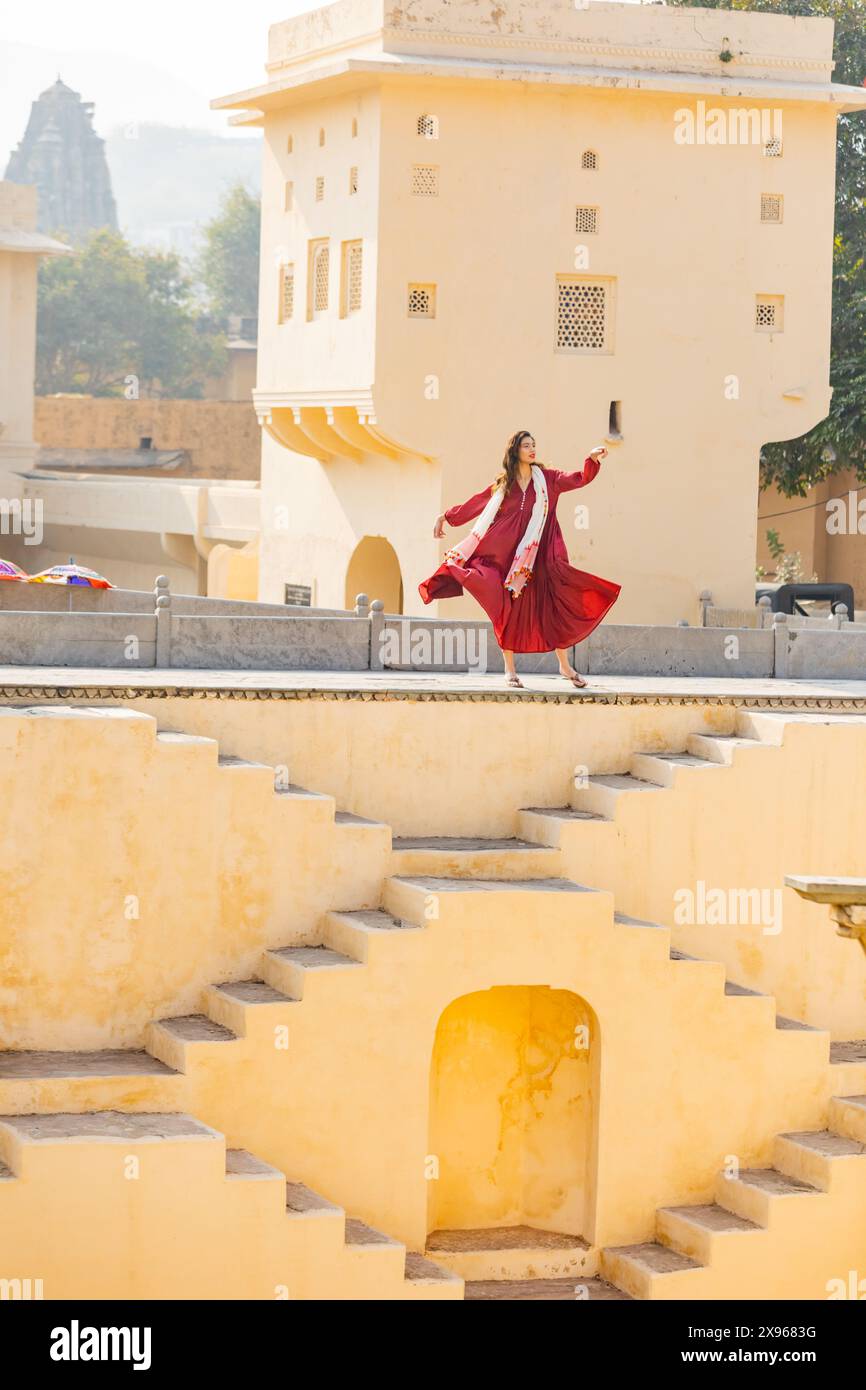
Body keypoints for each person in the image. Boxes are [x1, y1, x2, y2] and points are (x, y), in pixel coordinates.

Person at [419, 430, 621, 688]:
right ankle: (510, 670)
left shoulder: (549, 480)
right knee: (506, 607)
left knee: (552, 603)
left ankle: (565, 666)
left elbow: (579, 478)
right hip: (504, 554)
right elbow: (478, 503)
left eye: (534, 445)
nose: (532, 449)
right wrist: (446, 516)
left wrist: (591, 460)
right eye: (527, 446)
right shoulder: (504, 484)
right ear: (516, 451)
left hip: (542, 552)